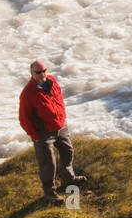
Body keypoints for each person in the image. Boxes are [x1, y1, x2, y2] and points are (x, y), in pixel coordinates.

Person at [18, 60, 87, 206]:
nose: (42, 74)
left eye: (44, 71)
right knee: (48, 164)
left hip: (60, 126)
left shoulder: (53, 81)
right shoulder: (27, 93)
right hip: (43, 133)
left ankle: (68, 179)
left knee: (68, 152)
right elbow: (24, 119)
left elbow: (58, 99)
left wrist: (62, 119)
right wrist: (36, 136)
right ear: (31, 73)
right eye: (38, 72)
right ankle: (50, 193)